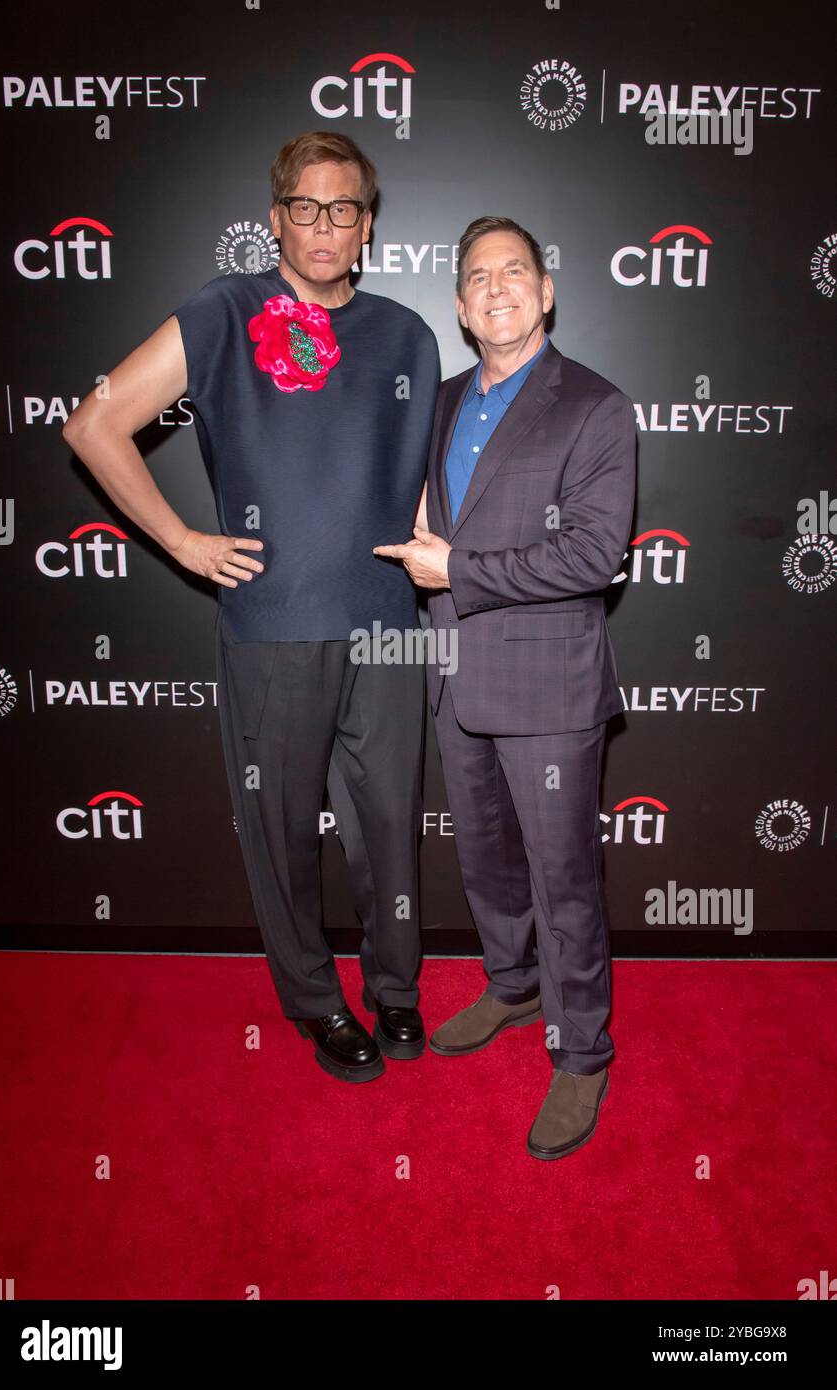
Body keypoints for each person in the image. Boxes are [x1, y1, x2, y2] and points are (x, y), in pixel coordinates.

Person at [63, 131, 440, 1084]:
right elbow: (93, 422)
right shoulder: (225, 311)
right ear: (276, 218)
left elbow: (416, 479)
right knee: (280, 837)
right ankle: (316, 1001)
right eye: (305, 207)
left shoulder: (410, 333)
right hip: (272, 625)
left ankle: (396, 986)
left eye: (344, 208)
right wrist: (184, 542)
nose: (324, 225)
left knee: (390, 821)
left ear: (367, 225)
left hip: (390, 626)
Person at [375, 215, 636, 1156]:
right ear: (458, 305)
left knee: (564, 879)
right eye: (478, 276)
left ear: (547, 289)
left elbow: (598, 553)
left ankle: (582, 1054)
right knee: (485, 859)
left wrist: (462, 571)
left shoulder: (594, 406)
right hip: (455, 674)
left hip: (550, 687)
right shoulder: (439, 401)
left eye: (514, 271)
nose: (497, 288)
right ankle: (513, 986)